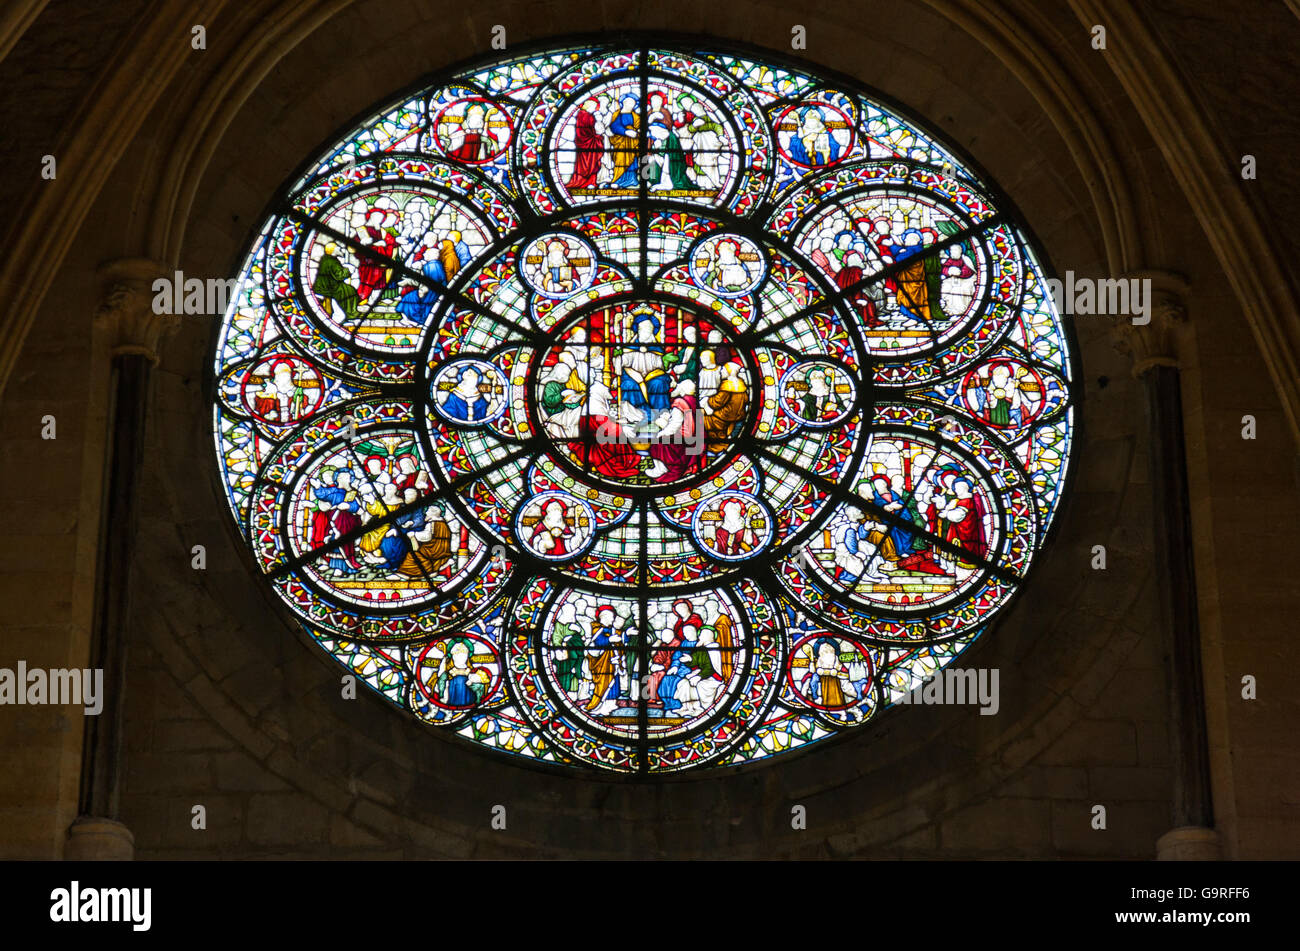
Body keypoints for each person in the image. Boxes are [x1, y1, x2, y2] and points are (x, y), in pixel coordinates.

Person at [566, 98, 604, 190]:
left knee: (590, 164)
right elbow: (588, 131)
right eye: (594, 106)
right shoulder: (586, 115)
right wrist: (597, 134)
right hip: (587, 143)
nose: (594, 109)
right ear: (588, 105)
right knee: (587, 165)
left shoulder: (581, 114)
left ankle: (591, 182)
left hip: (588, 143)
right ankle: (584, 182)